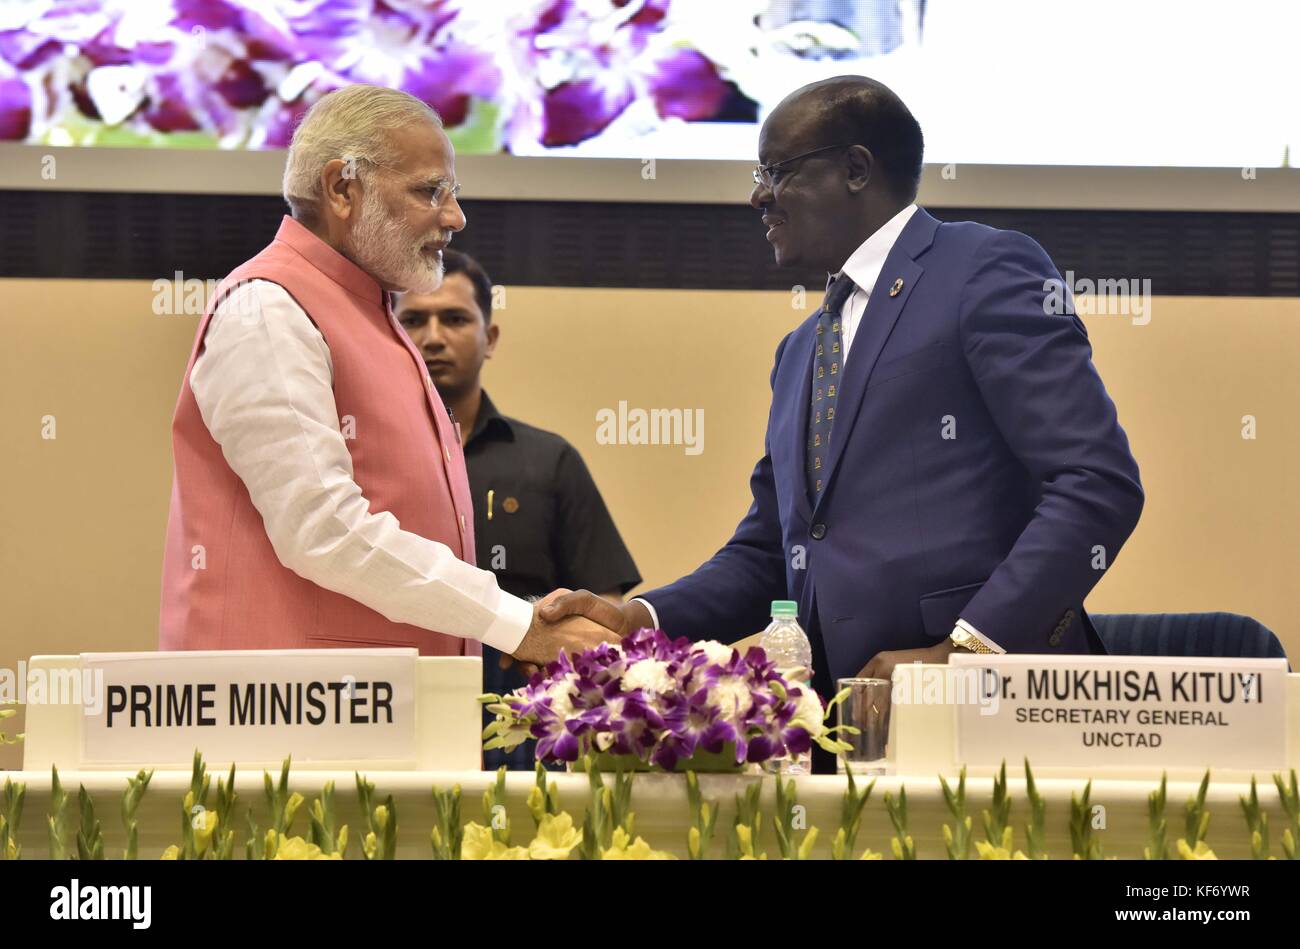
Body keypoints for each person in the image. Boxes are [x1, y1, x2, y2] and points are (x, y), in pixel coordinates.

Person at [544, 76, 1145, 769]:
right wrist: (640, 621)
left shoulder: (983, 269)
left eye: (777, 171)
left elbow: (1096, 483)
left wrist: (965, 652)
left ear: (857, 169)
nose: (758, 195)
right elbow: (770, 553)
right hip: (844, 739)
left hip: (994, 722)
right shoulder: (801, 350)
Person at [158, 84, 609, 668]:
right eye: (430, 191)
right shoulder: (267, 309)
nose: (455, 217)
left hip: (364, 721)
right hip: (289, 726)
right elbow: (322, 529)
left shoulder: (372, 311)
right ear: (343, 189)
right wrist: (515, 624)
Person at [396, 249, 641, 767]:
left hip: (531, 741)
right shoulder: (364, 465)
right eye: (413, 320)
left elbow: (601, 610)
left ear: (491, 338)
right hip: (396, 728)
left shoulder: (549, 461)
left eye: (456, 318)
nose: (433, 337)